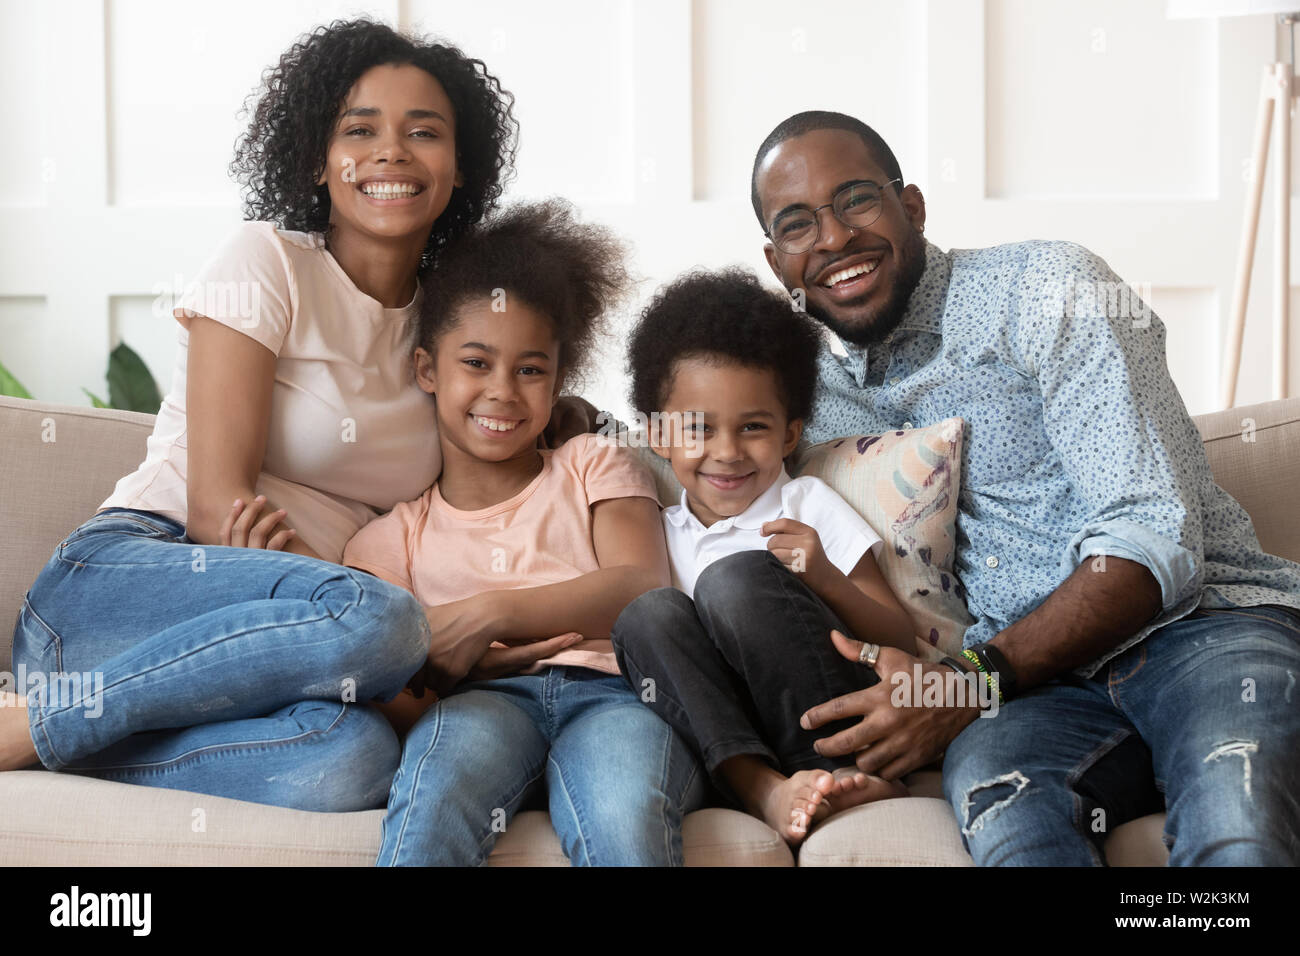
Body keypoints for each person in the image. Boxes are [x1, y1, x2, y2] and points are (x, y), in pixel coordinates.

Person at [2, 20, 589, 810]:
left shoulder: (454, 329)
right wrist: (383, 627)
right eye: (360, 130)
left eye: (425, 132)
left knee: (353, 761)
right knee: (387, 620)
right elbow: (219, 510)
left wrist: (581, 421)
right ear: (317, 158)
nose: (391, 151)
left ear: (460, 167)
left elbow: (510, 420)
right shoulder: (265, 262)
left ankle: (71, 735)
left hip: (286, 645)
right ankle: (36, 726)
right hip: (130, 587)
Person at [749, 109, 1300, 865]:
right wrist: (569, 424)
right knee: (1008, 821)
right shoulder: (796, 394)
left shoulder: (1047, 290)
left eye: (856, 200)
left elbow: (1152, 536)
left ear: (910, 207)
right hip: (1038, 697)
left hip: (1201, 633)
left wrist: (966, 686)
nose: (836, 238)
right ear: (777, 262)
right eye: (799, 224)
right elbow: (689, 441)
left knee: (1238, 821)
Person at [316, 201, 707, 866]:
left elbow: (641, 587)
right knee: (432, 800)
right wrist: (440, 667)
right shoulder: (388, 541)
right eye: (476, 363)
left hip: (616, 695)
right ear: (427, 370)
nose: (503, 391)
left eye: (530, 370)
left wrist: (490, 613)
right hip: (481, 707)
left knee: (623, 815)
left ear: (557, 383)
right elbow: (398, 686)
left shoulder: (592, 463)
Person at [609, 268, 916, 845]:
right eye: (698, 428)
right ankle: (764, 789)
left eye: (753, 427)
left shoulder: (805, 503)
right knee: (646, 613)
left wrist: (824, 576)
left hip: (820, 711)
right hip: (729, 735)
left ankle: (839, 771)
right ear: (657, 436)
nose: (727, 453)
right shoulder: (656, 531)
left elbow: (898, 632)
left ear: (790, 434)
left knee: (735, 580)